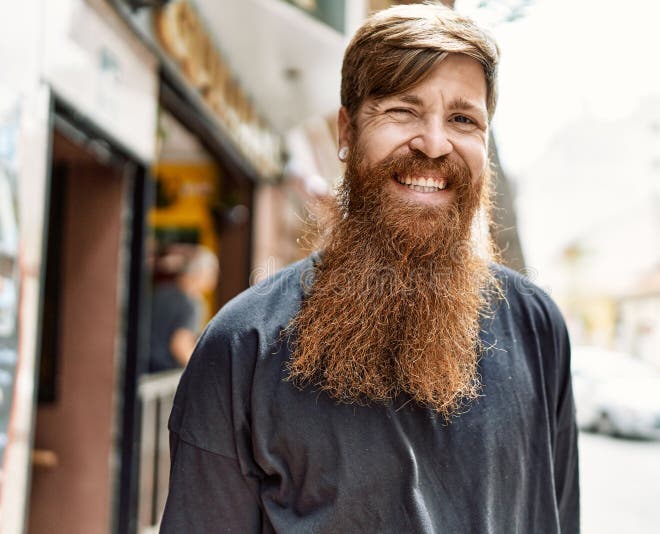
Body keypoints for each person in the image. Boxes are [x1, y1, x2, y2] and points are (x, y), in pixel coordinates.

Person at [161, 4, 579, 533]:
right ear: (347, 131)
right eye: (402, 110)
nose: (433, 142)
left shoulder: (538, 328)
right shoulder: (243, 347)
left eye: (463, 119)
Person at [148, 245, 218, 373]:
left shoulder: (161, 291)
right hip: (162, 375)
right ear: (200, 273)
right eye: (213, 273)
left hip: (142, 370)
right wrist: (201, 373)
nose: (214, 280)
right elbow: (180, 344)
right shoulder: (193, 303)